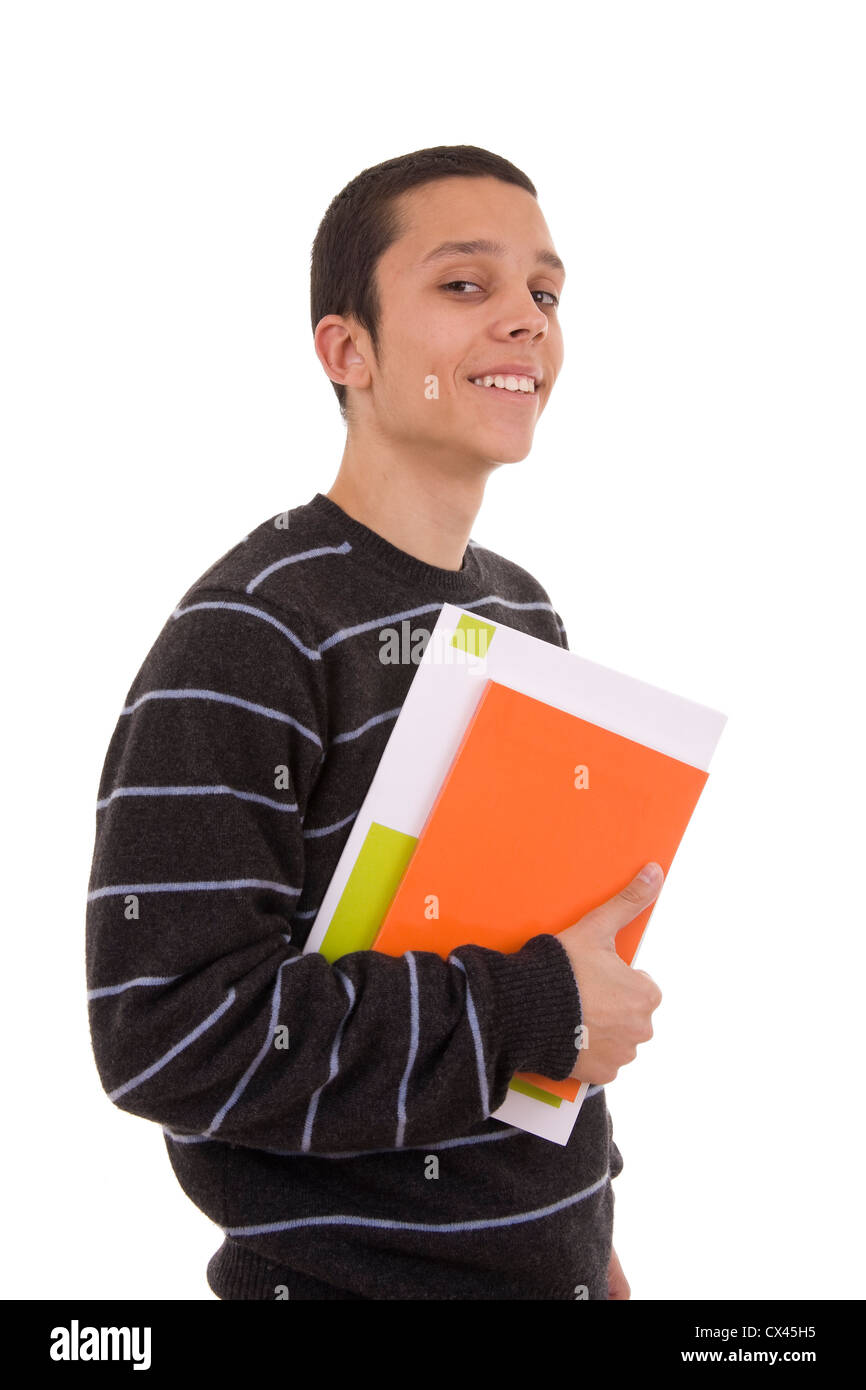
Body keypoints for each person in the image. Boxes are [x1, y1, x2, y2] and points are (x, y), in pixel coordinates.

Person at [85, 145, 663, 1301]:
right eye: (464, 285)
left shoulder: (521, 609)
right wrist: (543, 1006)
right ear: (346, 349)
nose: (524, 321)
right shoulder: (249, 635)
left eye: (544, 294)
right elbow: (163, 1034)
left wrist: (587, 1235)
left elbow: (535, 953)